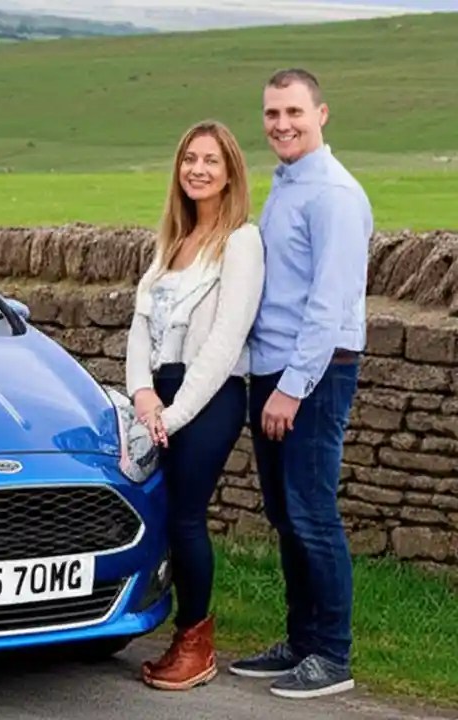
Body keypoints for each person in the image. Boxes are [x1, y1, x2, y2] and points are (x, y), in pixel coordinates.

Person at [227, 68, 372, 700]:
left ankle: (333, 656)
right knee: (287, 515)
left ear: (322, 114)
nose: (281, 124)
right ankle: (301, 642)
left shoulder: (334, 195)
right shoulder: (288, 186)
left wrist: (292, 388)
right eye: (271, 114)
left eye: (293, 112)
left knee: (313, 514)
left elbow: (329, 306)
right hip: (274, 371)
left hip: (313, 374)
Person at [124, 119, 265, 691]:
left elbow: (226, 341)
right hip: (160, 393)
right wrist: (141, 394)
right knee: (151, 509)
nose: (198, 169)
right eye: (189, 159)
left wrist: (173, 415)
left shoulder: (242, 242)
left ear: (230, 171)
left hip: (210, 395)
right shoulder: (170, 242)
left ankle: (195, 643)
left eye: (211, 160)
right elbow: (139, 325)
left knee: (185, 514)